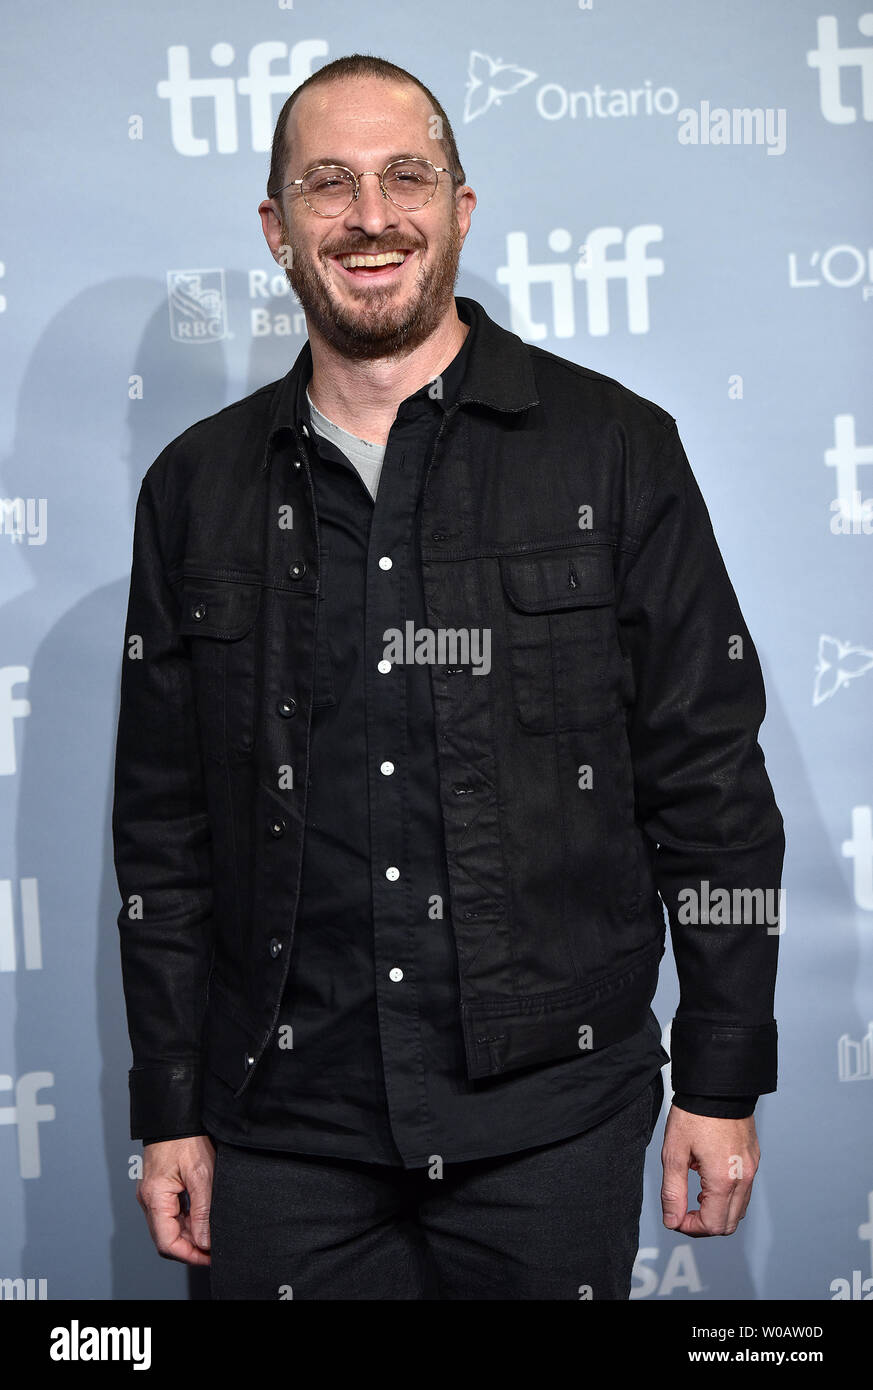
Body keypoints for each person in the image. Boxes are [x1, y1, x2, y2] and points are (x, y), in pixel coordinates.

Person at [112, 54, 785, 1301]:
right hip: (278, 1132)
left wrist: (722, 1076)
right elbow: (165, 840)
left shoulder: (615, 449)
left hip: (552, 1125)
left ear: (461, 209)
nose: (372, 216)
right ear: (277, 228)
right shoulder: (195, 490)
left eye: (406, 176)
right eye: (329, 183)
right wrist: (168, 1107)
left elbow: (711, 783)